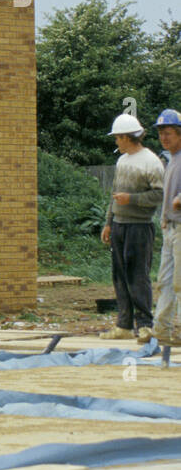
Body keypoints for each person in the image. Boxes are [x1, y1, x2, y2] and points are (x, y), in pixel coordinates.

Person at [99, 113, 164, 341]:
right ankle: (124, 325)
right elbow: (114, 195)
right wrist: (109, 222)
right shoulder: (122, 161)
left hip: (139, 226)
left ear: (128, 137)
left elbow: (158, 194)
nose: (116, 142)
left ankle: (145, 325)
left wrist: (132, 199)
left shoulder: (151, 162)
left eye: (118, 138)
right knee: (120, 276)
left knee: (138, 275)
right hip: (119, 225)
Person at [153, 110, 181, 343]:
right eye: (161, 133)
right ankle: (160, 332)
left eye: (169, 133)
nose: (164, 137)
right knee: (165, 282)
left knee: (180, 282)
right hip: (170, 228)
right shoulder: (171, 161)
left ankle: (179, 329)